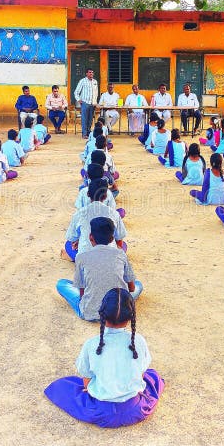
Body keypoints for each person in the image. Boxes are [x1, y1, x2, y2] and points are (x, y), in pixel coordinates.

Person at [44, 288, 163, 428]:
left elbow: (86, 380)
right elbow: (141, 374)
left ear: (102, 314)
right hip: (134, 410)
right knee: (153, 376)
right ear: (131, 317)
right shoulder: (139, 341)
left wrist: (94, 389)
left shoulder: (91, 344)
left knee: (63, 385)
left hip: (102, 412)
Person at [56, 217, 142, 320]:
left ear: (90, 237)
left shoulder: (81, 257)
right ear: (112, 239)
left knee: (62, 284)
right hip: (117, 312)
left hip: (90, 312)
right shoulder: (121, 254)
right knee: (138, 285)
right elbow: (132, 288)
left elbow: (82, 293)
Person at [64, 179, 127, 262]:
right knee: (123, 245)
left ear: (88, 194)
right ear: (105, 196)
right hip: (109, 258)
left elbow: (72, 238)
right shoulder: (113, 213)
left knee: (68, 245)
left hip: (86, 258)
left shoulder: (79, 214)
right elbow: (119, 239)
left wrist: (79, 241)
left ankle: (74, 258)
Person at [74, 69, 98, 138]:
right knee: (84, 119)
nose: (91, 74)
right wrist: (79, 100)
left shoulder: (95, 82)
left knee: (90, 119)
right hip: (85, 103)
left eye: (92, 72)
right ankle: (84, 134)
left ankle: (88, 133)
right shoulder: (82, 81)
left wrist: (95, 102)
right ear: (86, 74)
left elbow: (96, 93)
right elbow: (76, 92)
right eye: (90, 72)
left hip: (92, 103)